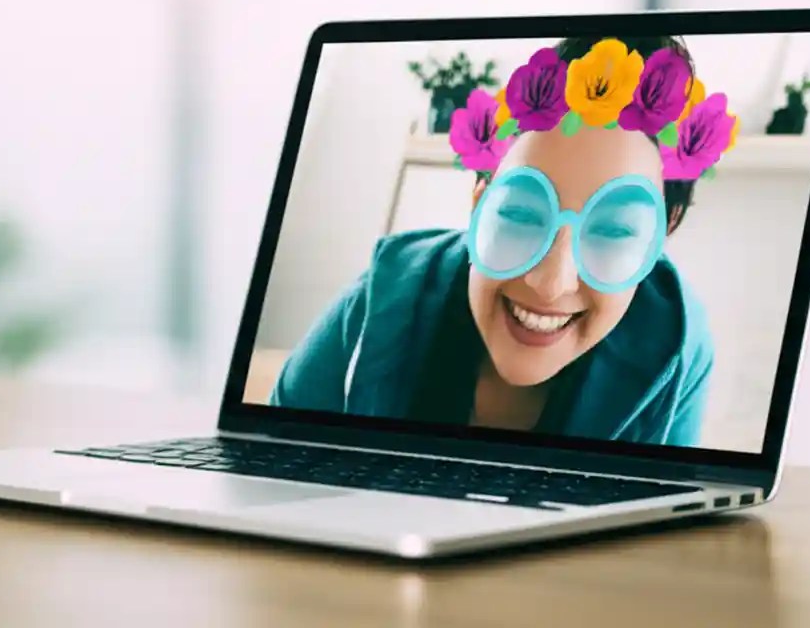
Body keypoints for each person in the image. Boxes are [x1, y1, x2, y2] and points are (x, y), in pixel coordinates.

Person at [268, 36, 738, 447]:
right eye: (519, 215)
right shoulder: (383, 298)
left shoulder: (676, 348)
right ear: (478, 201)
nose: (551, 283)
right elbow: (271, 461)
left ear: (662, 236)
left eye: (613, 232)